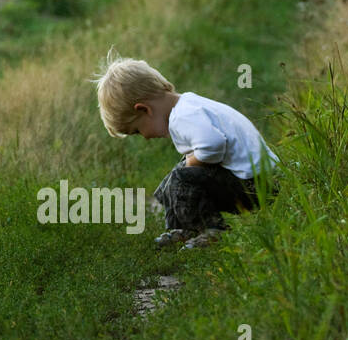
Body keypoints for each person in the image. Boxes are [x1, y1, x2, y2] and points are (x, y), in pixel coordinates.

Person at [91, 50, 278, 248]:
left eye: (137, 130)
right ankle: (180, 228)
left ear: (144, 109)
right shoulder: (188, 106)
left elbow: (213, 144)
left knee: (183, 174)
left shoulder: (183, 116)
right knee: (174, 178)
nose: (145, 137)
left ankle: (211, 230)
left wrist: (190, 163)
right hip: (258, 180)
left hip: (258, 187)